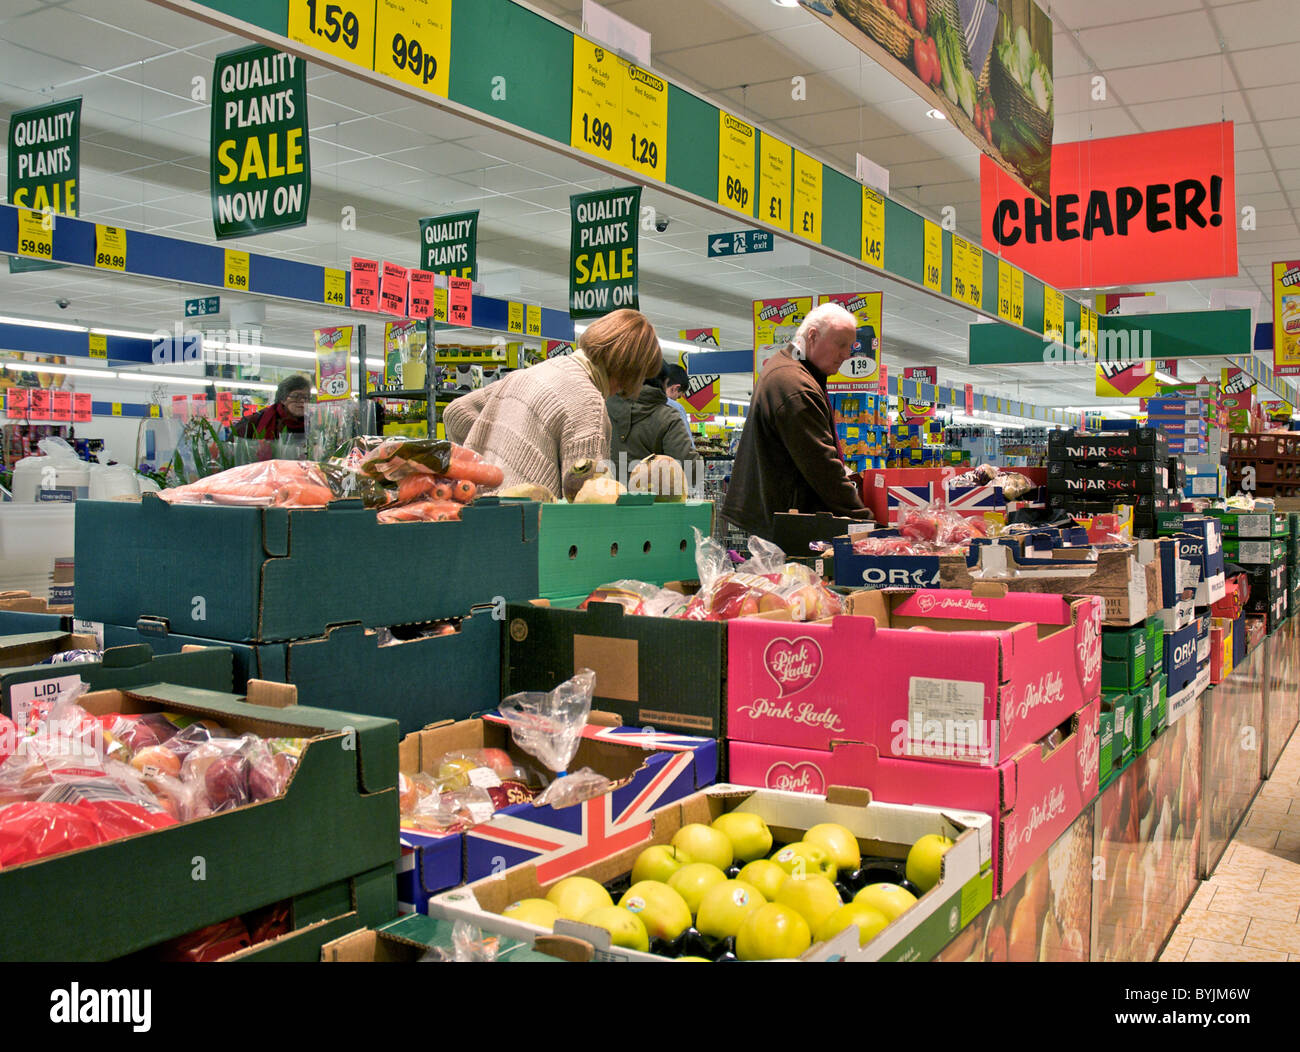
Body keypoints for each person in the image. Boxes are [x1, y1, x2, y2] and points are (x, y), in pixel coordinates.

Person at [444, 308, 663, 499]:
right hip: (530, 528)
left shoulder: (527, 374)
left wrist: (492, 466)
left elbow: (456, 413)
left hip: (475, 508)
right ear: (628, 370)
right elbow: (587, 500)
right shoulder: (588, 401)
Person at [721, 302, 871, 542]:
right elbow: (821, 465)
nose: (846, 355)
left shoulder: (790, 370)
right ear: (812, 336)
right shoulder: (795, 386)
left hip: (780, 519)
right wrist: (865, 521)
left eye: (850, 347)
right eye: (840, 345)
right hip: (785, 525)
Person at [607, 363, 702, 487]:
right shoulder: (668, 416)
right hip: (652, 501)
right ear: (664, 382)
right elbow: (691, 470)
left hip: (606, 498)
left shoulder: (603, 407)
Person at [231, 374, 312, 456]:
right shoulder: (255, 420)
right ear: (282, 398)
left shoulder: (313, 425)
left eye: (306, 397)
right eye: (296, 396)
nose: (302, 401)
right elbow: (233, 451)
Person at [662, 363, 692, 429]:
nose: (676, 400)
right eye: (678, 396)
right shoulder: (675, 409)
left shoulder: (637, 403)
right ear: (675, 388)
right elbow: (685, 438)